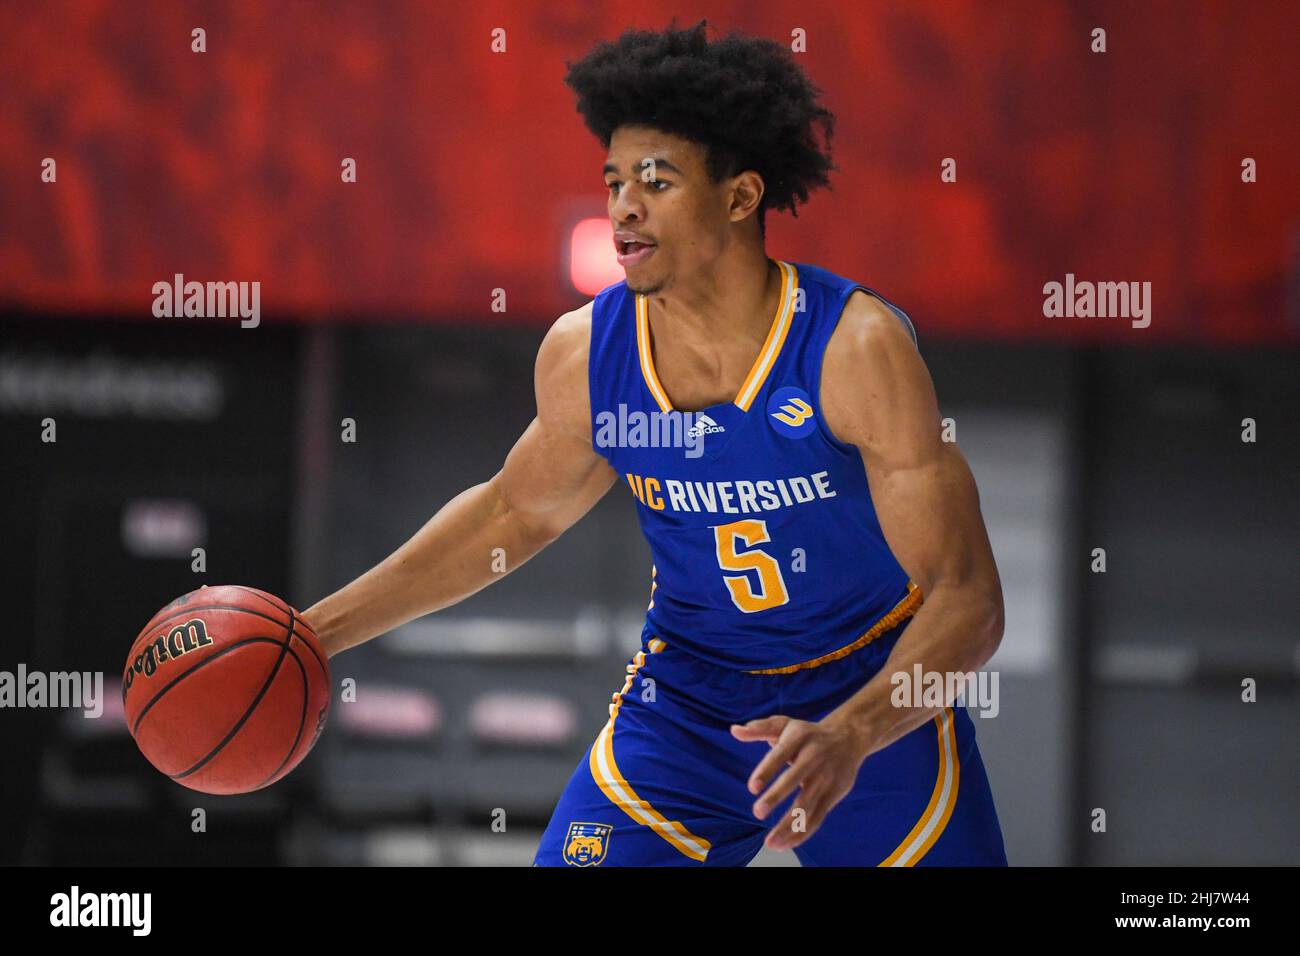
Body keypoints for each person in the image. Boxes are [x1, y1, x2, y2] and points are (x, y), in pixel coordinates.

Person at [303, 21, 1008, 866]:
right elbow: (510, 516)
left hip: (865, 690)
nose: (623, 206)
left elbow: (969, 600)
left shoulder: (850, 348)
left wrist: (849, 735)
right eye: (613, 182)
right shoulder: (588, 353)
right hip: (687, 704)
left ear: (741, 198)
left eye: (657, 181)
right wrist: (312, 636)